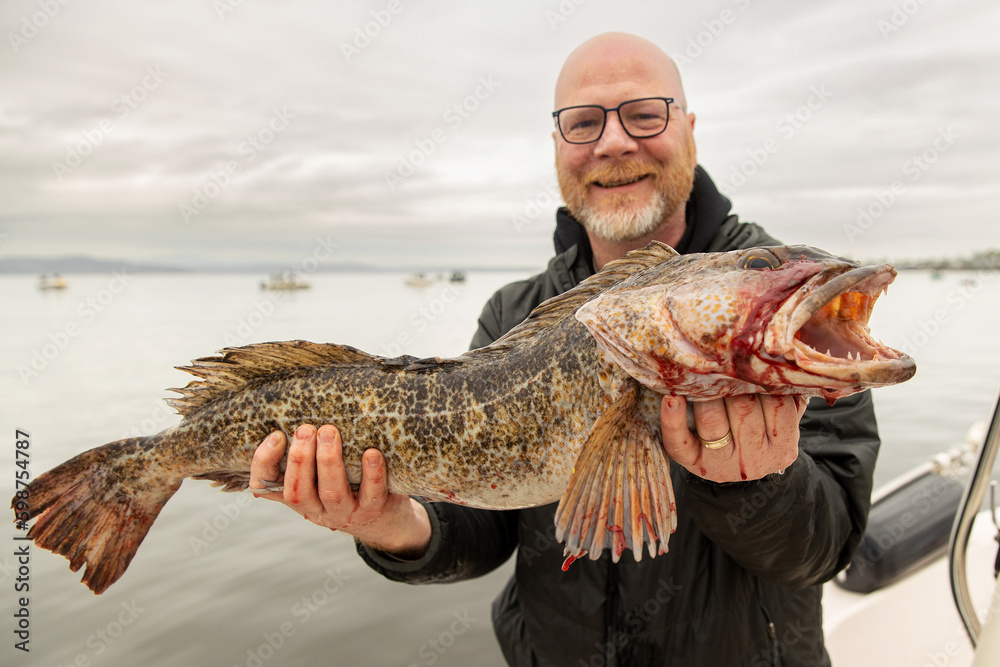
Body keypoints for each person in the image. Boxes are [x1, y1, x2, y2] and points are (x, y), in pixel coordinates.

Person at [249, 32, 880, 666]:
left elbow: (826, 551)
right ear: (558, 148)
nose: (613, 142)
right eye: (583, 123)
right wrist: (392, 526)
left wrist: (756, 482)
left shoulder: (789, 326)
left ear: (690, 130)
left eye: (644, 114)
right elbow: (484, 525)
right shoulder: (511, 313)